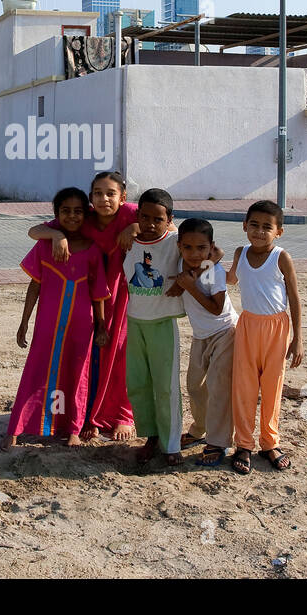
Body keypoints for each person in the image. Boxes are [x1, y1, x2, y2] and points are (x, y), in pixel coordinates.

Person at [27, 172, 139, 441]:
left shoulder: (132, 214)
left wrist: (134, 228)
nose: (104, 199)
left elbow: (169, 225)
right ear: (91, 198)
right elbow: (34, 231)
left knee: (120, 354)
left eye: (110, 193)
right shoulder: (85, 218)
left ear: (122, 197)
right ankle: (90, 415)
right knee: (90, 357)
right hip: (90, 298)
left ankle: (122, 415)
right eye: (98, 193)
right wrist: (56, 235)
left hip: (124, 295)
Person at [6, 187, 110, 448]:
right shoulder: (45, 246)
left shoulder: (93, 251)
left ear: (86, 214)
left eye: (78, 211)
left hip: (81, 326)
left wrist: (100, 326)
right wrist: (24, 322)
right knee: (37, 371)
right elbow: (34, 286)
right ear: (56, 214)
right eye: (66, 211)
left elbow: (98, 294)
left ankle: (72, 427)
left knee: (76, 375)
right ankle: (16, 428)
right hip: (47, 324)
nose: (72, 216)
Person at [226, 200, 304, 474]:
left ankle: (270, 442)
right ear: (245, 226)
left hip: (277, 329)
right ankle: (244, 444)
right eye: (254, 225)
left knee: (272, 387)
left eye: (267, 227)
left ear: (278, 232)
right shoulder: (240, 252)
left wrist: (298, 337)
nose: (259, 232)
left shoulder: (281, 257)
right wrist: (207, 263)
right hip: (247, 327)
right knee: (244, 387)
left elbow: (293, 296)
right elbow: (232, 280)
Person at [123, 188, 187, 466]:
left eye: (157, 219)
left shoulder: (175, 242)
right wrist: (129, 230)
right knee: (139, 385)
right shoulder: (128, 242)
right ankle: (150, 436)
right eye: (144, 217)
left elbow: (214, 253)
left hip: (163, 325)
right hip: (134, 322)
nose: (150, 224)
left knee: (167, 387)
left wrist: (186, 278)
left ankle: (171, 443)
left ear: (169, 219)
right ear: (137, 216)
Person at [167, 218, 237, 468]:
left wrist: (190, 285)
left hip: (225, 333)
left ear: (209, 247)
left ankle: (218, 441)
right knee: (194, 386)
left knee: (219, 388)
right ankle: (199, 429)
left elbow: (217, 309)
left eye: (201, 248)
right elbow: (216, 252)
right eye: (188, 248)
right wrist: (188, 277)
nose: (194, 253)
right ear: (179, 247)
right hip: (200, 336)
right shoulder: (183, 262)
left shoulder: (213, 272)